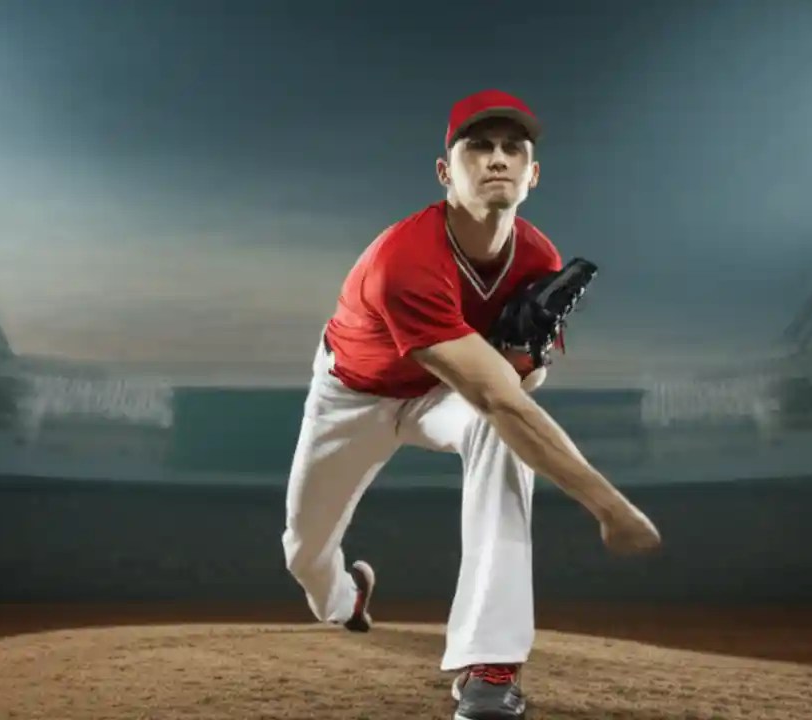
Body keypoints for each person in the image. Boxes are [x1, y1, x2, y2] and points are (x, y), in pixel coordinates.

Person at [281, 88, 661, 720]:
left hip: (439, 394)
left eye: (514, 148)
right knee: (303, 550)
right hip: (352, 395)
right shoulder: (404, 260)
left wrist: (522, 361)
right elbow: (501, 396)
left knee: (501, 437)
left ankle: (490, 666)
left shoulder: (538, 257)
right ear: (444, 170)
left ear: (532, 174)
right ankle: (344, 600)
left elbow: (516, 390)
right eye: (478, 146)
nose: (496, 159)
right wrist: (609, 506)